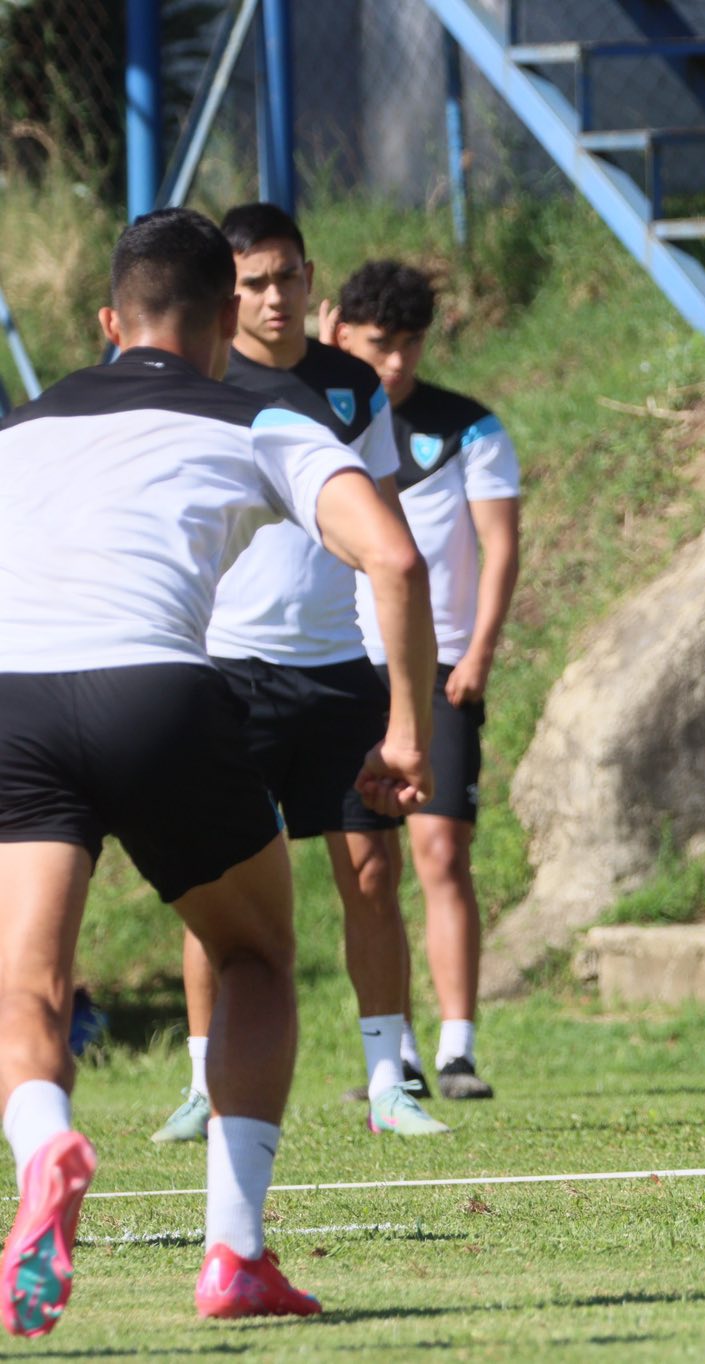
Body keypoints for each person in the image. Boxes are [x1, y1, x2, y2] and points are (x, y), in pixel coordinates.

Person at [0, 207, 435, 1330]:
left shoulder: (21, 429)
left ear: (110, 322)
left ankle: (44, 1139)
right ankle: (234, 1254)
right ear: (218, 321)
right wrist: (404, 729)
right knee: (253, 951)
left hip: (15, 699)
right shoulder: (257, 414)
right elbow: (391, 553)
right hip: (158, 691)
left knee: (29, 981)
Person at [155, 203, 449, 1143]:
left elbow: (386, 536)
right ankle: (205, 1084)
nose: (275, 297)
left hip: (337, 670)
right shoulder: (202, 384)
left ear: (311, 280)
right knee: (217, 884)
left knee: (370, 873)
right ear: (225, 294)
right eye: (254, 283)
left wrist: (399, 678)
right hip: (229, 673)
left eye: (288, 278)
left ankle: (389, 1081)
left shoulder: (354, 387)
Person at [331, 261, 521, 1103]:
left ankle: (457, 1048)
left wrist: (478, 652)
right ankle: (392, 1050)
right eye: (380, 346)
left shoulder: (469, 428)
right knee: (367, 865)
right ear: (340, 332)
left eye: (409, 346)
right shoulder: (316, 423)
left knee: (442, 851)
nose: (397, 364)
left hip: (441, 662)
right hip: (345, 664)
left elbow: (500, 546)